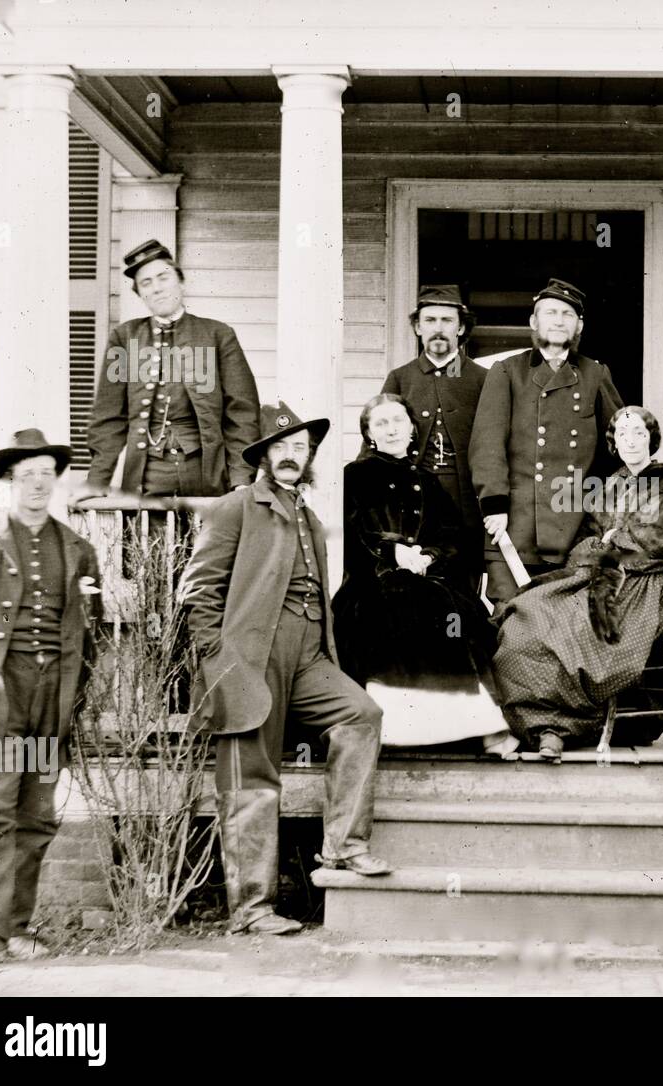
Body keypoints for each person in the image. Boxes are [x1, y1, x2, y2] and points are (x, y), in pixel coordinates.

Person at [181, 402, 390, 937]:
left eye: (301, 448)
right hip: (249, 659)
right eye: (282, 447)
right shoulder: (236, 507)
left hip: (308, 657)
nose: (293, 456)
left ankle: (343, 847)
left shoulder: (310, 517)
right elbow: (198, 590)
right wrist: (218, 661)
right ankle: (251, 909)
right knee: (251, 778)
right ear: (264, 456)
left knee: (360, 715)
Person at [0, 430, 102, 966]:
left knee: (35, 815)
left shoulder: (78, 550)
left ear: (55, 480)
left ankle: (15, 927)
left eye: (46, 473)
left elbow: (94, 632)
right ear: (9, 483)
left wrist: (75, 703)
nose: (38, 483)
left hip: (48, 704)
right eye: (27, 475)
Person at [492, 406, 663, 760]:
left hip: (653, 583)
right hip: (607, 575)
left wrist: (612, 542)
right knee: (529, 619)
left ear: (652, 438)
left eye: (638, 433)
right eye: (622, 434)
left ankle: (569, 725)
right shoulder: (612, 484)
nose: (630, 440)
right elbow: (591, 538)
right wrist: (605, 544)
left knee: (582, 629)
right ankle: (545, 726)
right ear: (613, 443)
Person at [333, 394, 517, 755]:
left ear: (412, 429)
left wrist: (429, 556)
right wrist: (393, 553)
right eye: (381, 424)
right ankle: (400, 730)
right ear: (369, 434)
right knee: (402, 610)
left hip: (427, 576)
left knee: (458, 616)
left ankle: (472, 727)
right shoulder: (354, 476)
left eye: (398, 421)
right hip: (374, 580)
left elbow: (451, 536)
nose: (391, 430)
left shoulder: (427, 481)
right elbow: (349, 533)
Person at [469, 277, 624, 603]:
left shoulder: (596, 374)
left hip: (575, 527)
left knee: (567, 627)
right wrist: (494, 504)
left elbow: (619, 445)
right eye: (550, 312)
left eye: (567, 314)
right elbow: (487, 445)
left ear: (579, 325)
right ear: (533, 321)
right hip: (515, 522)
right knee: (510, 622)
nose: (558, 320)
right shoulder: (507, 371)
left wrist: (597, 502)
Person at [81, 239, 261, 500]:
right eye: (146, 283)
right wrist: (97, 481)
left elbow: (242, 414)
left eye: (163, 277)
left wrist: (241, 480)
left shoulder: (218, 335)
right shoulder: (124, 338)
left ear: (180, 281)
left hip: (208, 476)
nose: (156, 289)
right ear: (140, 294)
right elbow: (108, 418)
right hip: (147, 477)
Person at [380, 285, 488, 588]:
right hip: (414, 503)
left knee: (462, 590)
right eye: (429, 320)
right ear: (417, 327)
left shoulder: (483, 379)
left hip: (466, 504)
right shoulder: (401, 378)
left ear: (462, 326)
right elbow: (375, 442)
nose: (438, 329)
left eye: (446, 320)